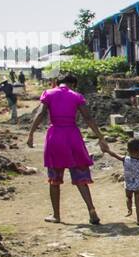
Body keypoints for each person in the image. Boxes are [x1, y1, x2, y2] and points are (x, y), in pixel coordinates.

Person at [25, 73, 109, 225]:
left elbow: (40, 113)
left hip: (55, 137)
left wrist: (31, 134)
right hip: (73, 137)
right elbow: (88, 118)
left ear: (57, 83)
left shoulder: (48, 94)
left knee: (54, 180)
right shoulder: (76, 96)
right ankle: (91, 210)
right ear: (73, 84)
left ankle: (56, 215)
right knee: (81, 177)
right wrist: (100, 137)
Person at [103, 137, 139, 226]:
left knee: (128, 198)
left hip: (128, 184)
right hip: (138, 186)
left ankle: (129, 209)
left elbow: (114, 154)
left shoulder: (125, 159)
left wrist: (107, 150)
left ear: (128, 150)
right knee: (138, 204)